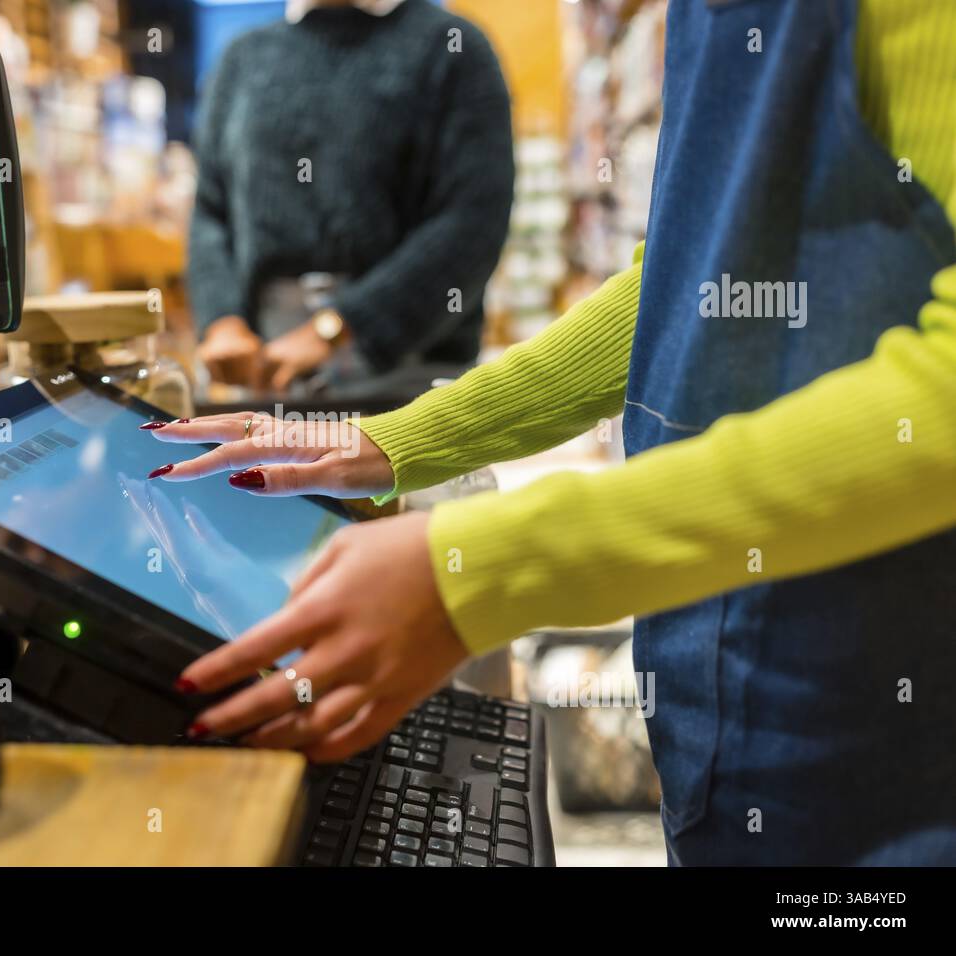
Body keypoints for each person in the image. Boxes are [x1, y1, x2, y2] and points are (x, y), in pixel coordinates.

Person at [148, 0, 956, 866]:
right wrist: (393, 442)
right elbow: (684, 285)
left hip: (900, 733)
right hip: (742, 713)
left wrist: (488, 568)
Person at [187, 0, 514, 396]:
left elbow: (474, 219)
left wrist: (339, 329)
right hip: (268, 375)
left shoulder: (454, 48)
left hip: (413, 378)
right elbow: (209, 210)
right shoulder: (241, 57)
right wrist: (223, 321)